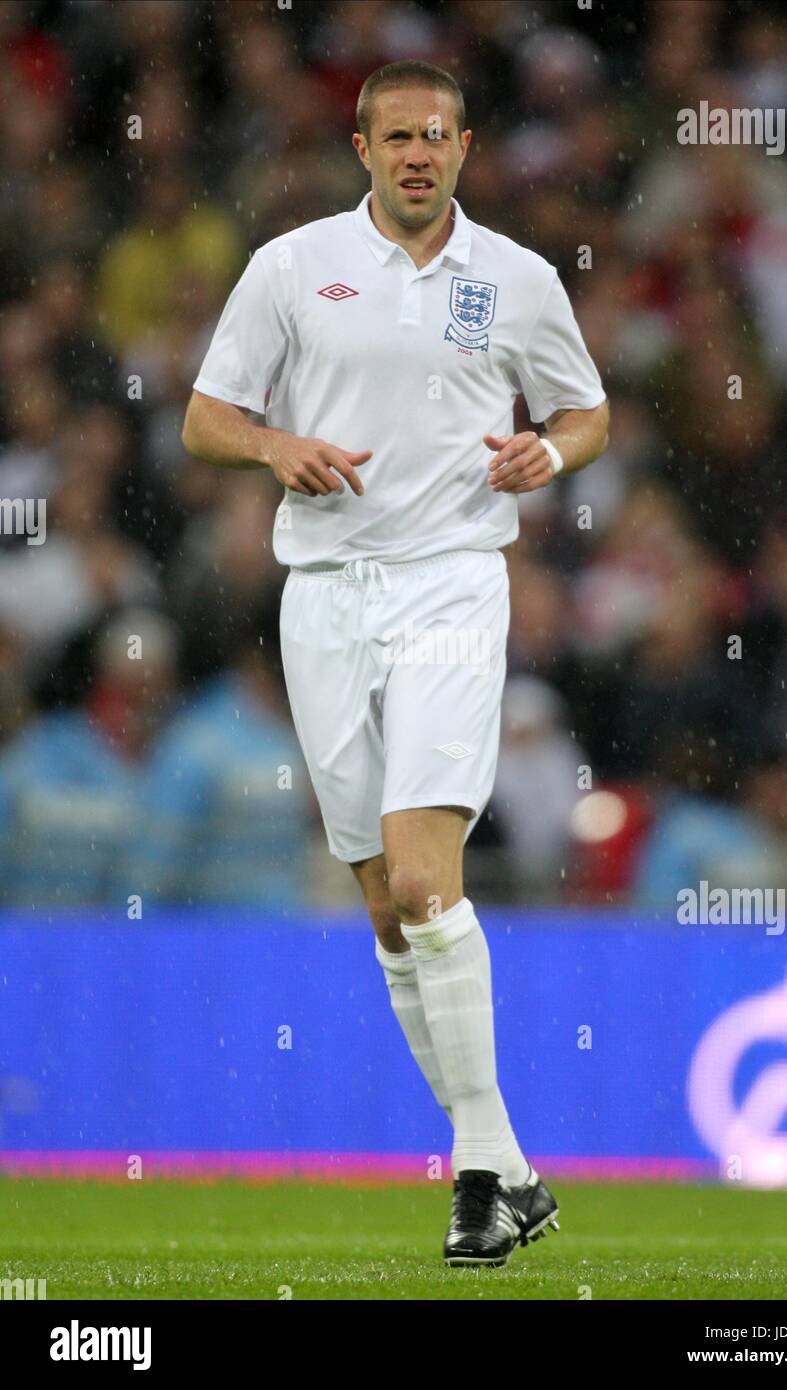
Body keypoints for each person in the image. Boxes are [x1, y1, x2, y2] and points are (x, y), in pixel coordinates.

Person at [181, 59, 609, 1267]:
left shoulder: (517, 281)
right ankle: (510, 1165)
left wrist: (549, 454)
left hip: (451, 589)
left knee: (427, 879)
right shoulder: (288, 267)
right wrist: (272, 445)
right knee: (383, 906)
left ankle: (477, 1179)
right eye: (395, 137)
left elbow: (586, 412)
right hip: (322, 597)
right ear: (359, 147)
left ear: (466, 147)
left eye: (436, 136)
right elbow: (204, 417)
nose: (417, 154)